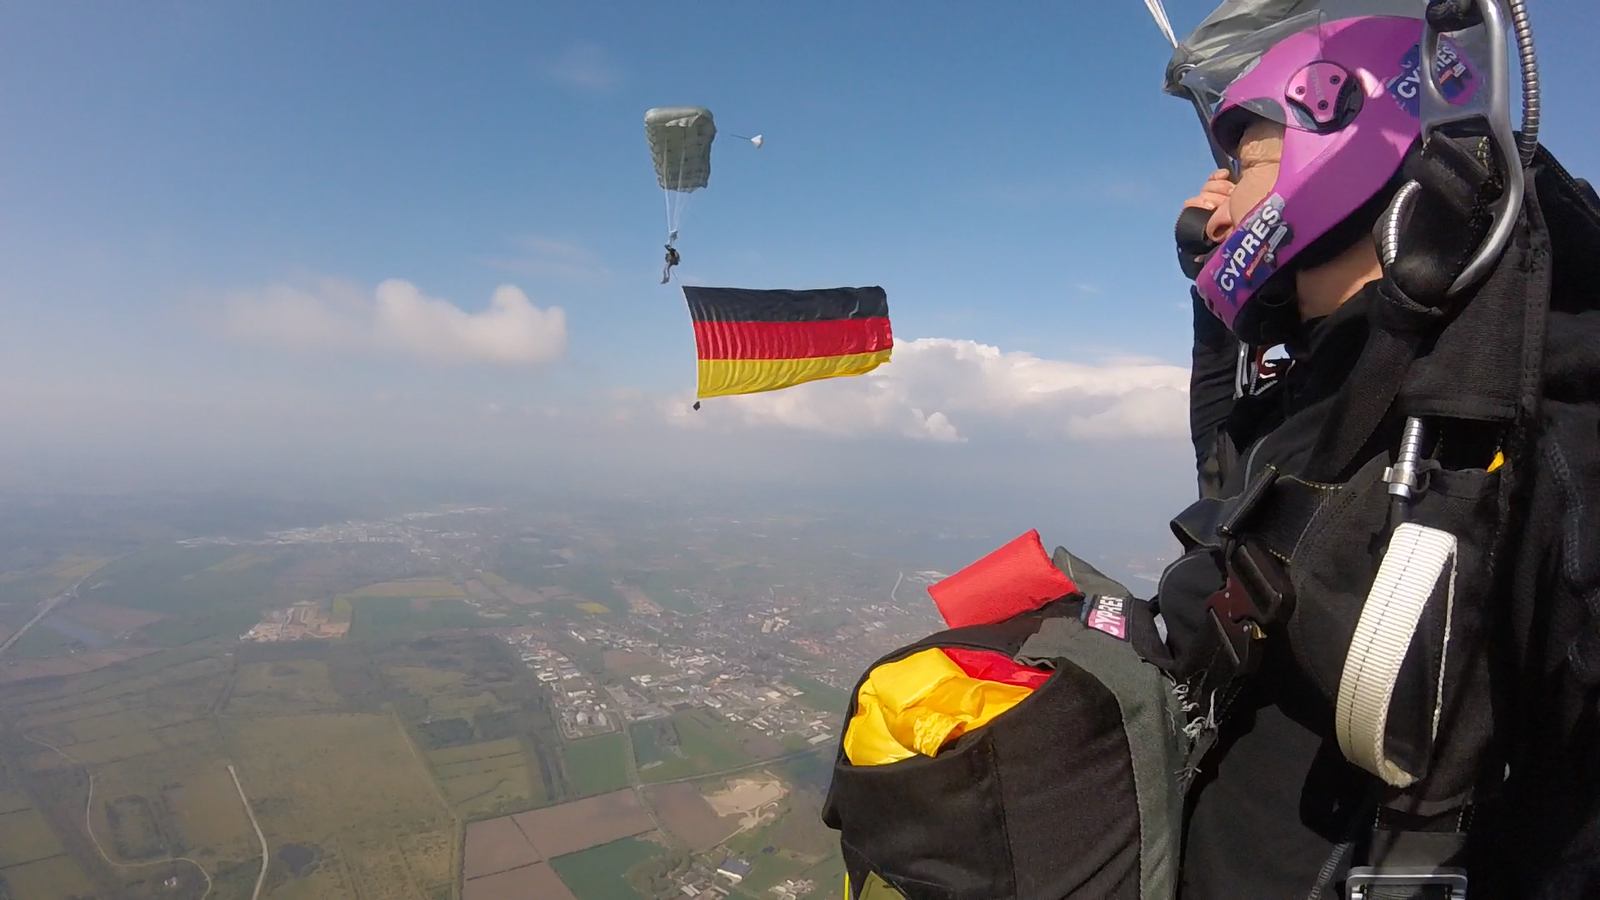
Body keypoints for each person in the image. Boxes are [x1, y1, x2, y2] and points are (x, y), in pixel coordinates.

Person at [1153, 11, 1600, 899]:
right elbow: (1229, 471)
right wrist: (1215, 296)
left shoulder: (1517, 410)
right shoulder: (1342, 382)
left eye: (1243, 167)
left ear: (1336, 133)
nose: (1215, 205)